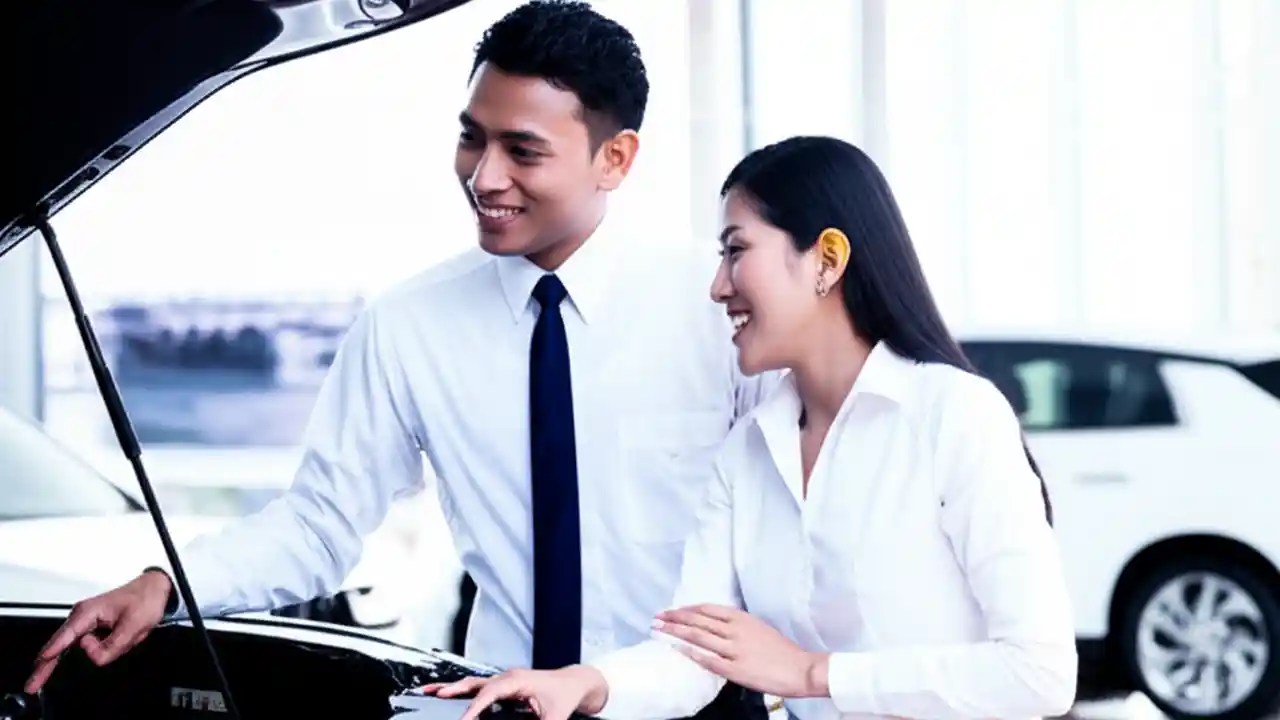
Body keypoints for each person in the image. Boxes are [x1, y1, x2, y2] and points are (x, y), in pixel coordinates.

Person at [25, 3, 776, 717]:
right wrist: (167, 584)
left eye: (523, 150)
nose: (484, 177)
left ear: (615, 158)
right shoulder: (408, 324)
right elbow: (320, 526)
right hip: (497, 704)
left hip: (695, 707)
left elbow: (790, 538)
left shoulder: (722, 315)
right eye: (471, 138)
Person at [426, 136, 1079, 720]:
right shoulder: (748, 449)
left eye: (737, 251)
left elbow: (1041, 674)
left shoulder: (954, 415)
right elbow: (695, 655)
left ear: (826, 259)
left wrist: (811, 674)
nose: (717, 286)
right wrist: (578, 685)